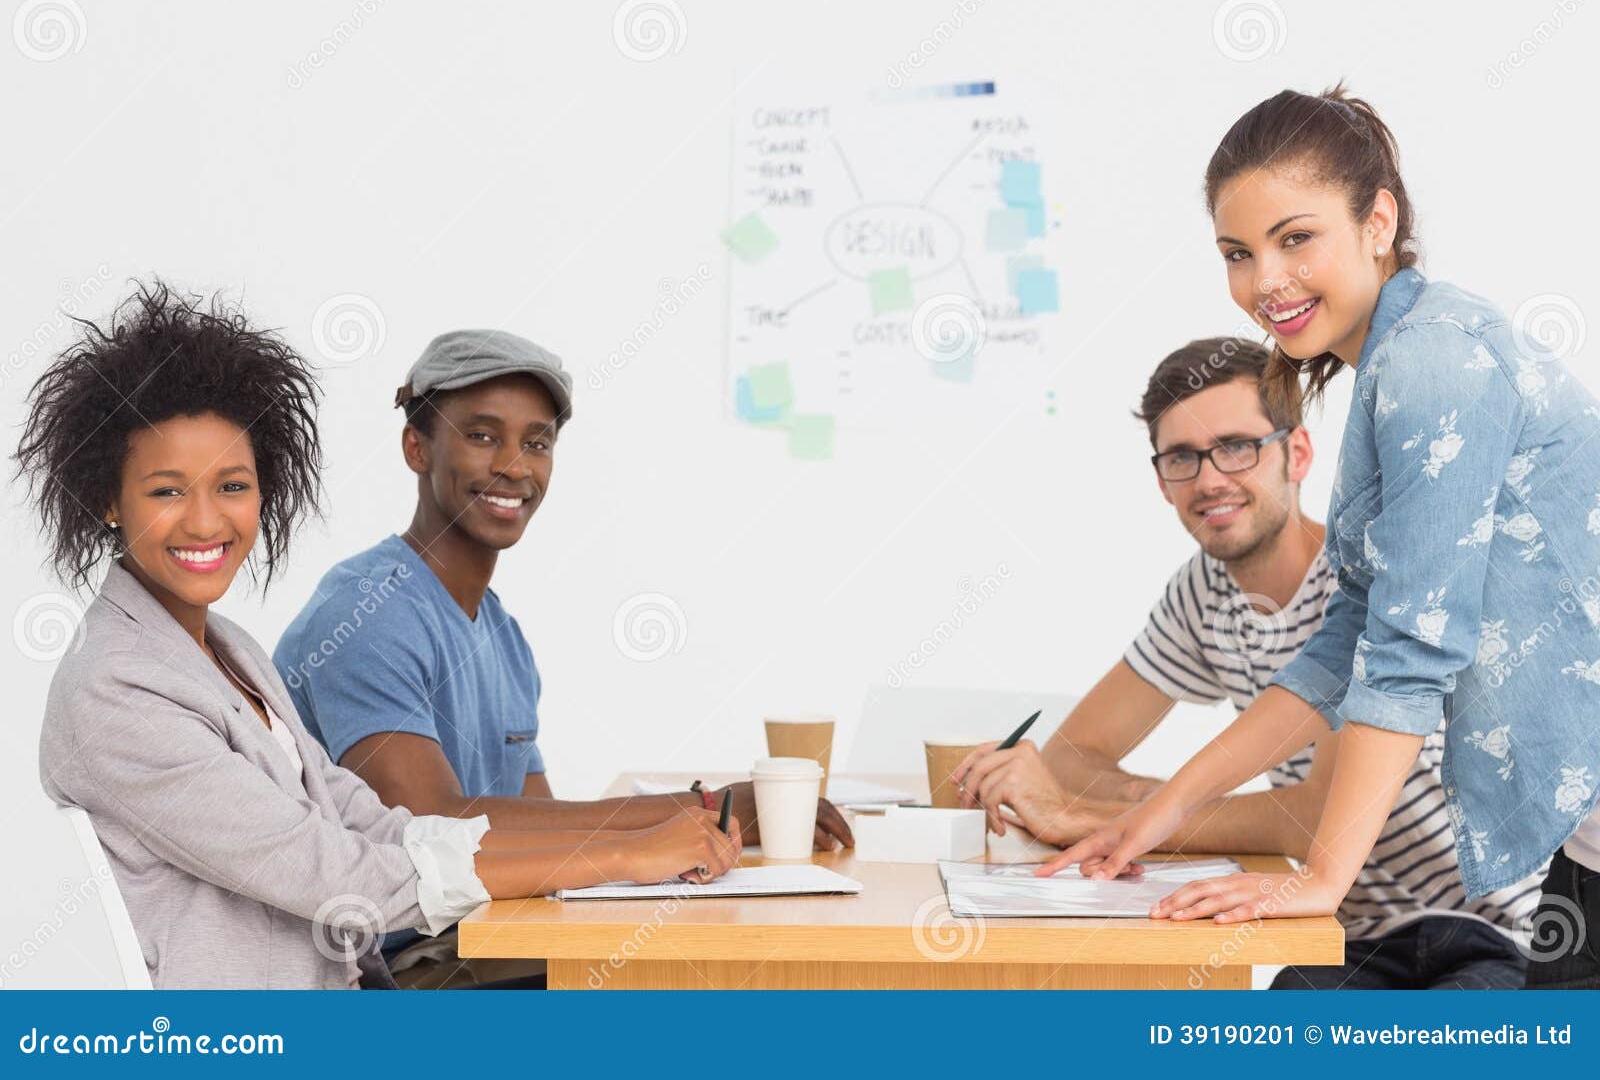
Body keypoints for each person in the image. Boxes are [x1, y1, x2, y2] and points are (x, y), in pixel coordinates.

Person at [25, 285, 740, 989]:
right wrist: (624, 856)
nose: (206, 521)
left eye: (233, 485)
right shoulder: (117, 688)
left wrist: (659, 835)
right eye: (168, 490)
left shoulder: (228, 649)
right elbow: (339, 875)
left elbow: (376, 823)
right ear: (107, 499)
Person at [1051, 86, 1600, 990]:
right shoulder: (1392, 363)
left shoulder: (1434, 359)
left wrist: (1322, 878)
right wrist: (1160, 813)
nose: (1265, 281)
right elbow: (1345, 636)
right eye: (1238, 252)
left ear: (1377, 220)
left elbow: (1412, 643)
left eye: (1295, 238)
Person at [955, 337, 1541, 987]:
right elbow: (1072, 753)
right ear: (1161, 481)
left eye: (1236, 446)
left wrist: (1103, 817)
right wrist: (1147, 804)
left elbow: (1313, 815)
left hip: (1495, 931)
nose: (1209, 479)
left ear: (1297, 453)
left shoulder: (1369, 584)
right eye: (1182, 457)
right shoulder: (1203, 593)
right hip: (1351, 937)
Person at [272, 329, 852, 984]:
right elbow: (428, 824)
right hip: (396, 968)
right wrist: (699, 807)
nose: (516, 466)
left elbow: (545, 825)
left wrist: (700, 823)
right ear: (417, 446)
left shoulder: (504, 635)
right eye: (483, 435)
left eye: (537, 442)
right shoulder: (369, 613)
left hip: (486, 934)